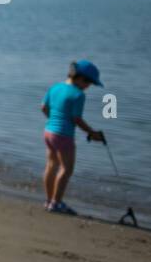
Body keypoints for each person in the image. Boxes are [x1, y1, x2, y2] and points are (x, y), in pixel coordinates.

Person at [41, 59, 105, 215]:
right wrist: (92, 133)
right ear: (80, 78)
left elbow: (43, 107)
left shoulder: (55, 87)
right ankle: (56, 203)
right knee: (66, 169)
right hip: (63, 136)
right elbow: (76, 119)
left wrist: (54, 121)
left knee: (51, 166)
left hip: (48, 132)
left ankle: (49, 201)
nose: (88, 87)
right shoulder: (78, 95)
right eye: (89, 83)